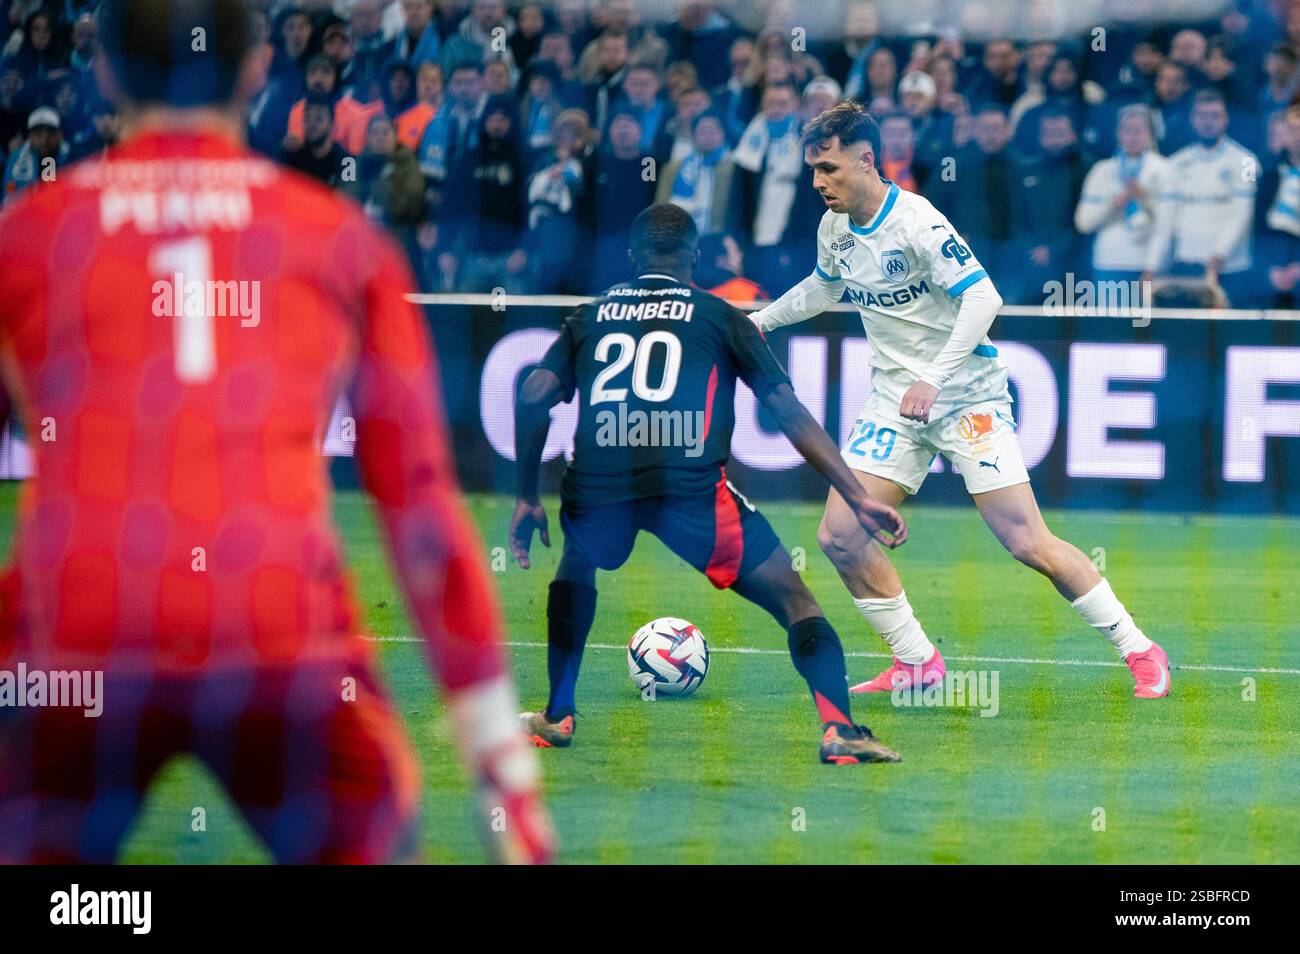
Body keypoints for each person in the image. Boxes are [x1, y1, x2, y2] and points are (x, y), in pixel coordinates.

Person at [0, 0, 552, 865]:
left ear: (102, 71)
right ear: (257, 70)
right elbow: (420, 508)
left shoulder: (29, 237)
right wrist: (499, 754)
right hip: (273, 634)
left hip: (77, 637)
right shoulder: (337, 240)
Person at [749, 102, 1171, 701]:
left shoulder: (918, 222)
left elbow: (984, 299)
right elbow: (824, 286)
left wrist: (934, 378)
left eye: (829, 168)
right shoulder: (835, 228)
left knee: (1026, 542)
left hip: (965, 398)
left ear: (866, 161)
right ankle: (917, 662)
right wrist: (759, 323)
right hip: (893, 404)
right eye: (813, 169)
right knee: (840, 536)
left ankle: (1140, 649)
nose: (819, 181)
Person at [509, 203, 908, 764]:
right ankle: (840, 730)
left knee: (577, 567)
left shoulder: (589, 316)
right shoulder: (721, 317)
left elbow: (532, 397)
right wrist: (856, 494)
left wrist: (527, 496)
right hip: (689, 491)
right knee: (795, 600)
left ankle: (557, 715)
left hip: (599, 486)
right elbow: (786, 408)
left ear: (631, 256)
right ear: (694, 257)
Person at [1074, 104, 1172, 285]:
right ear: (1118, 133)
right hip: (1108, 262)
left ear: (1151, 135)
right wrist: (1112, 205)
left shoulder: (1164, 170)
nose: (1133, 137)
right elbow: (1084, 223)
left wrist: (1145, 201)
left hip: (1148, 265)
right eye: (1127, 130)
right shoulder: (1102, 170)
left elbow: (1167, 224)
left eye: (1139, 131)